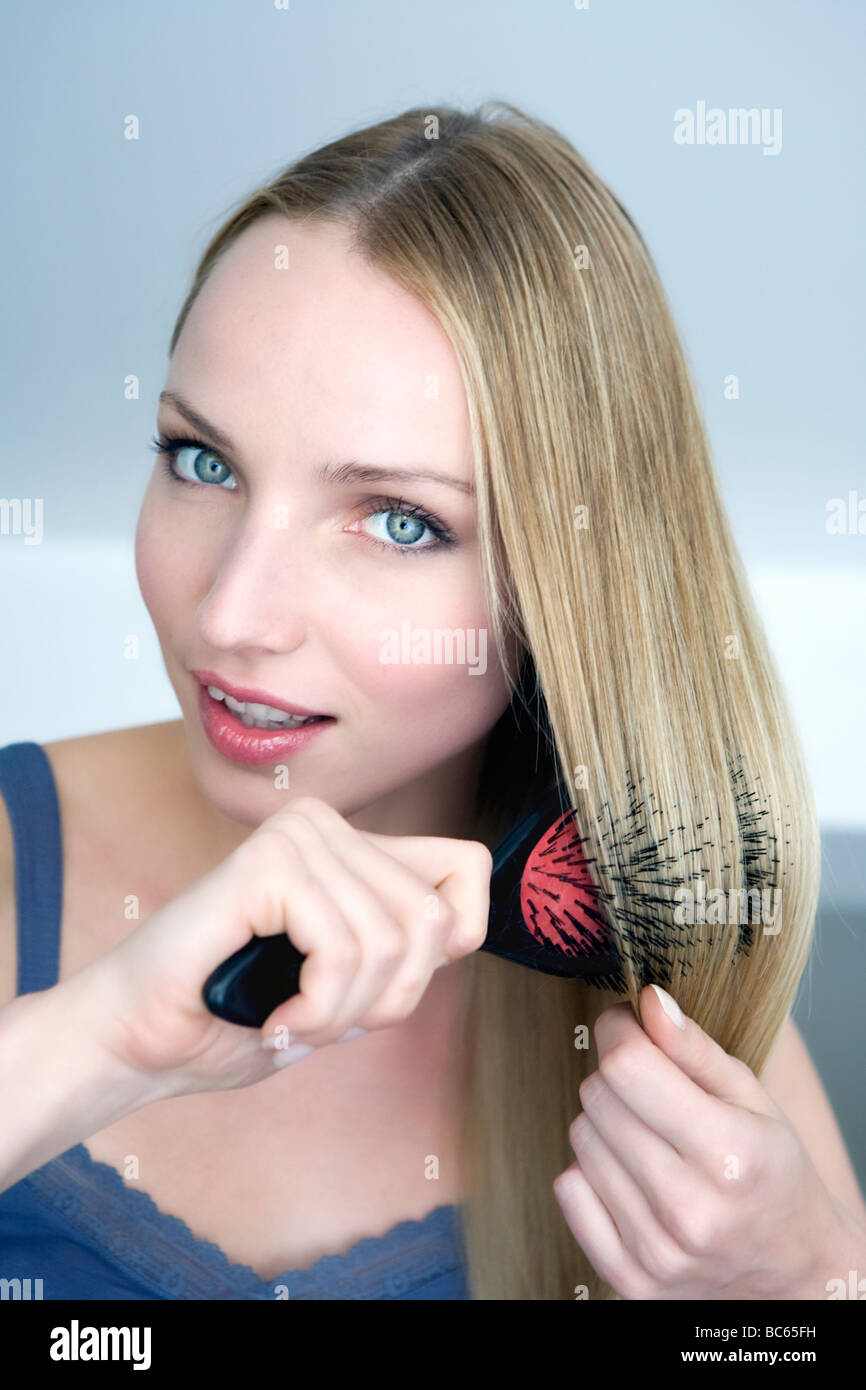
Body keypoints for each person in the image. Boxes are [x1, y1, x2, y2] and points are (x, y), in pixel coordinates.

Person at [1, 101, 863, 1302]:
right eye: (204, 461)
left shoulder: (664, 993)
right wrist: (88, 1046)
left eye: (399, 521)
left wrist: (807, 1282)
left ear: (566, 586)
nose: (235, 612)